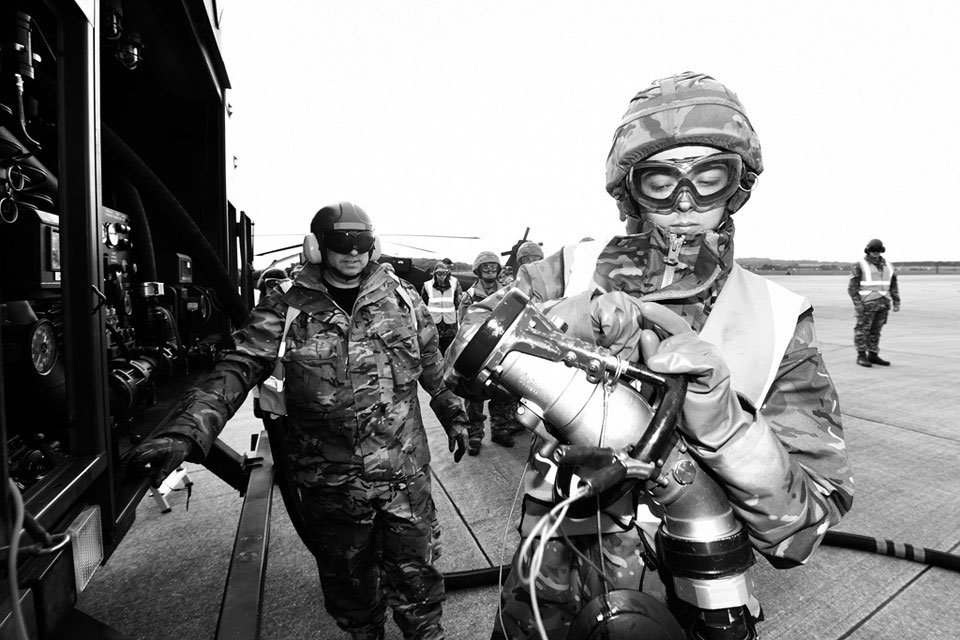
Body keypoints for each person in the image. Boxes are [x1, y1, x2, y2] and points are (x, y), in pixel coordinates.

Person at [445, 72, 854, 638]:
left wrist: (725, 424)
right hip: (550, 585)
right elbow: (461, 355)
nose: (685, 202)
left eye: (709, 176)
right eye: (661, 180)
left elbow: (802, 529)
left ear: (737, 186)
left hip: (695, 595)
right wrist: (557, 322)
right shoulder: (568, 270)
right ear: (630, 189)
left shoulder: (777, 318)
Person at [130, 202, 470, 640]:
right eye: (340, 243)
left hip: (404, 480)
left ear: (375, 245)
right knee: (351, 590)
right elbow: (238, 367)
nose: (353, 253)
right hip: (331, 487)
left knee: (417, 583)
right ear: (315, 246)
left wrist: (455, 416)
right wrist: (187, 430)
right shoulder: (286, 307)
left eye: (362, 243)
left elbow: (433, 369)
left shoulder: (403, 298)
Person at [458, 251, 521, 454]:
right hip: (477, 351)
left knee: (503, 394)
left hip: (502, 351)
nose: (490, 269)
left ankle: (500, 430)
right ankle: (475, 436)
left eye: (494, 266)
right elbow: (464, 326)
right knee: (474, 398)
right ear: (477, 270)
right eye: (485, 266)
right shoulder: (468, 296)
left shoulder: (508, 293)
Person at [848, 238, 900, 367]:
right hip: (867, 304)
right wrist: (858, 305)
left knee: (876, 330)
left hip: (883, 303)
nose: (875, 252)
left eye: (878, 250)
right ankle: (861, 355)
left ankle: (873, 354)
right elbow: (852, 288)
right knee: (862, 330)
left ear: (881, 250)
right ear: (868, 250)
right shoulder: (859, 265)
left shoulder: (888, 265)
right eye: (873, 250)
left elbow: (893, 285)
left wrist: (896, 301)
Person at [421, 261, 463, 355]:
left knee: (449, 351)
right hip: (434, 324)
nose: (442, 276)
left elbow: (458, 301)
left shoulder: (454, 284)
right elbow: (423, 304)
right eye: (439, 273)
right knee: (434, 351)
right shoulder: (427, 285)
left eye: (444, 273)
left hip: (450, 325)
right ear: (435, 274)